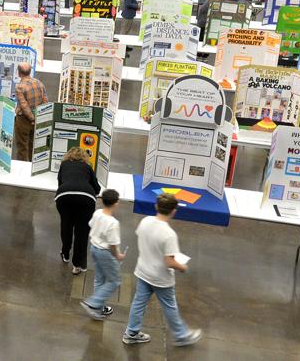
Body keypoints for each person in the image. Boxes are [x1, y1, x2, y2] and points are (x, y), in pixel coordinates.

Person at [123, 194, 203, 347]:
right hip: (161, 279)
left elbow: (143, 238)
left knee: (138, 303)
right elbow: (169, 262)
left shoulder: (145, 221)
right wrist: (183, 267)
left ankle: (131, 333)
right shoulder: (169, 234)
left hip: (143, 271)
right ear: (173, 211)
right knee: (170, 307)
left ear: (156, 206)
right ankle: (182, 335)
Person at [81, 189, 126, 320]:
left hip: (94, 248)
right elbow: (113, 245)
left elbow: (91, 225)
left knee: (99, 279)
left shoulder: (97, 213)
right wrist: (118, 255)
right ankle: (93, 303)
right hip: (105, 253)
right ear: (116, 203)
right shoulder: (113, 223)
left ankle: (98, 309)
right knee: (114, 280)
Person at [55, 147, 101, 275]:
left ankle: (65, 254)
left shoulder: (64, 165)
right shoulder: (87, 167)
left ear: (68, 156)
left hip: (64, 196)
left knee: (66, 225)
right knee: (82, 232)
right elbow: (97, 188)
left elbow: (60, 183)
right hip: (86, 198)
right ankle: (77, 265)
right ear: (84, 158)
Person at [13, 63, 48, 162]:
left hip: (24, 120)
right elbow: (45, 100)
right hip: (38, 117)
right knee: (33, 145)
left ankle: (22, 167)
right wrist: (38, 116)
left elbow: (24, 106)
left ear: (19, 73)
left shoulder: (20, 87)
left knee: (22, 146)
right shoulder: (39, 83)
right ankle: (32, 165)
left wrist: (32, 118)